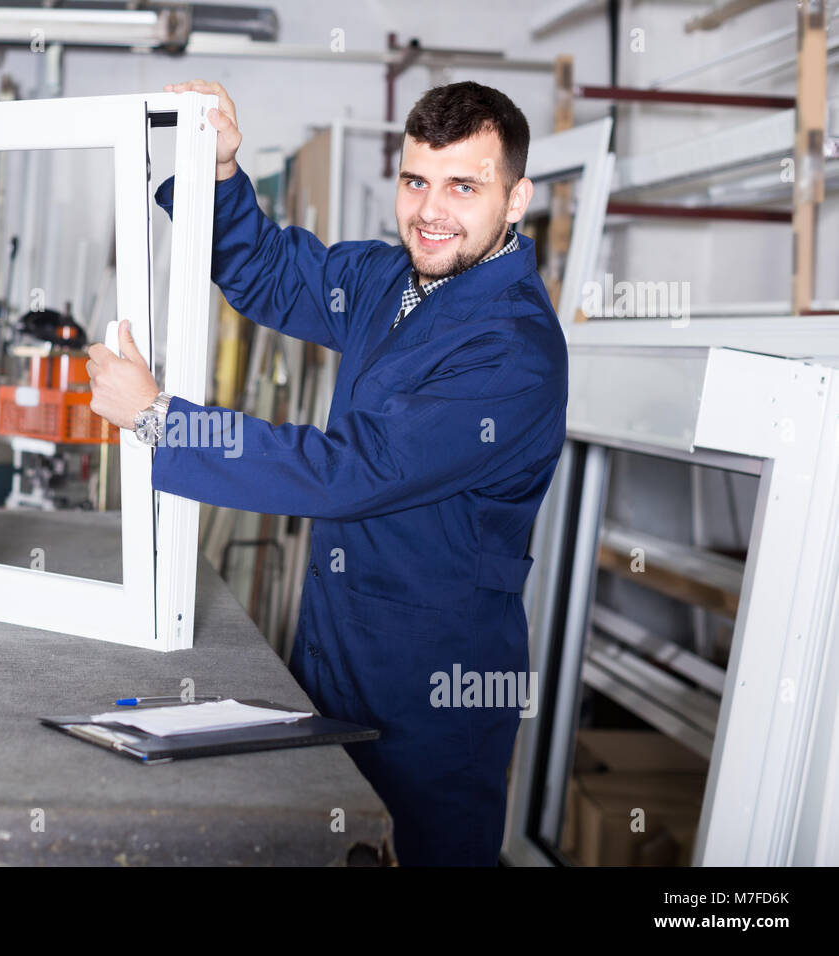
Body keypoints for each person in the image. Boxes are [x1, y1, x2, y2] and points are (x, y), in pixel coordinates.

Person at [86, 80, 568, 865]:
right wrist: (219, 174)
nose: (431, 210)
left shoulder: (512, 350)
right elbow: (273, 271)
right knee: (324, 839)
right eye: (417, 181)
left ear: (516, 199)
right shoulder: (395, 280)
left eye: (463, 186)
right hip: (337, 639)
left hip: (435, 681)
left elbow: (347, 469)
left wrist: (163, 420)